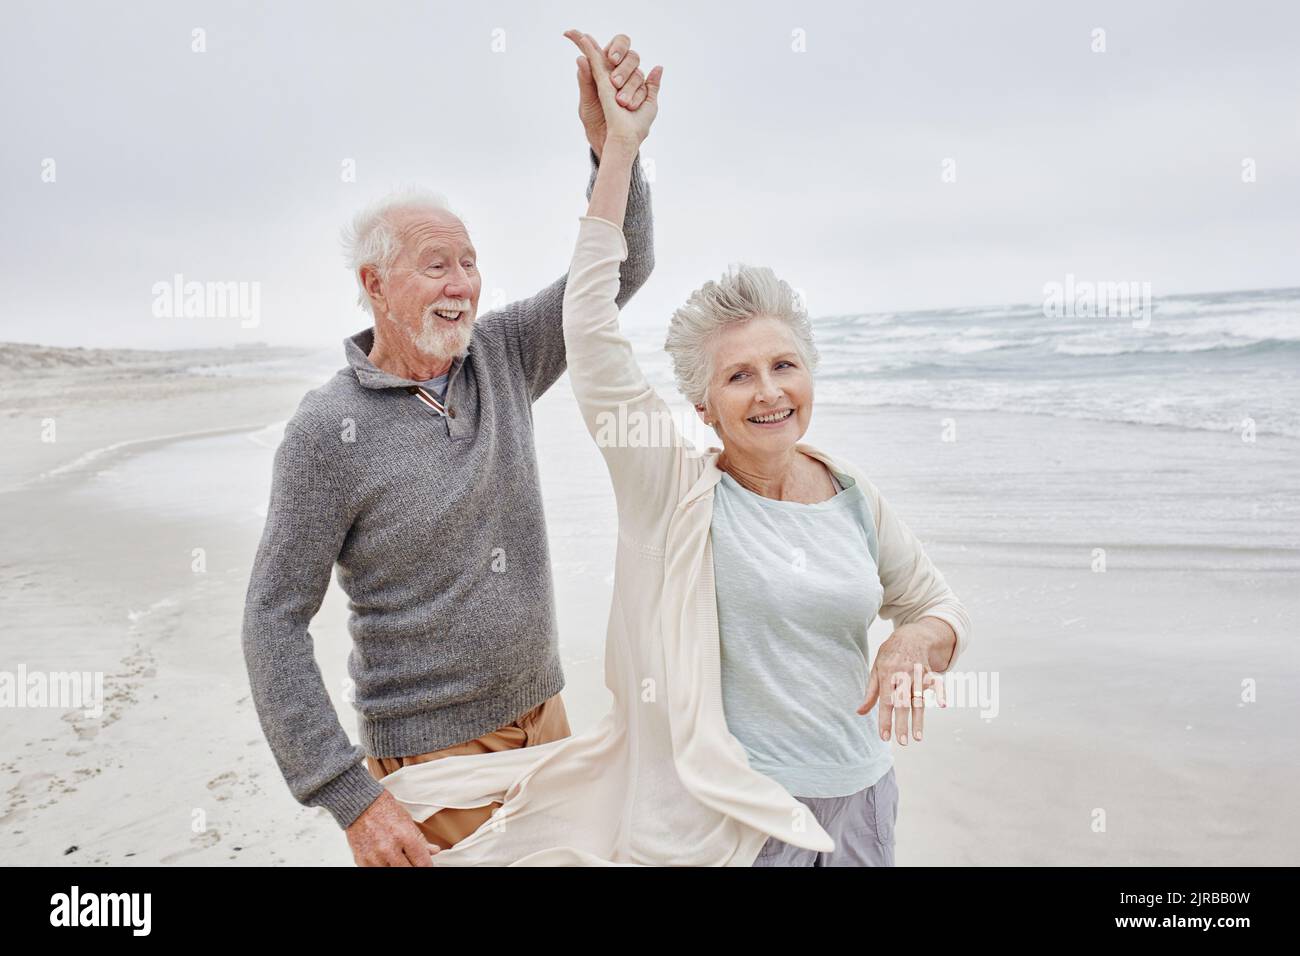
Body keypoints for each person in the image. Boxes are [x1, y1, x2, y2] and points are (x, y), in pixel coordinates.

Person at [374, 30, 969, 867]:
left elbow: (938, 607)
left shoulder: (851, 493)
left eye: (784, 366)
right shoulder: (674, 487)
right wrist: (616, 151)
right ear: (702, 403)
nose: (768, 392)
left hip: (865, 802)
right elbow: (589, 324)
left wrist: (918, 640)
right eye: (739, 377)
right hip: (740, 828)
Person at [240, 31, 656, 867]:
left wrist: (613, 150)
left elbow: (619, 272)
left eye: (469, 262)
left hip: (549, 720)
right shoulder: (327, 432)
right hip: (433, 762)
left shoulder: (500, 355)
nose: (463, 282)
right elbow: (272, 619)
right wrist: (348, 795)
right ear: (375, 284)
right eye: (437, 265)